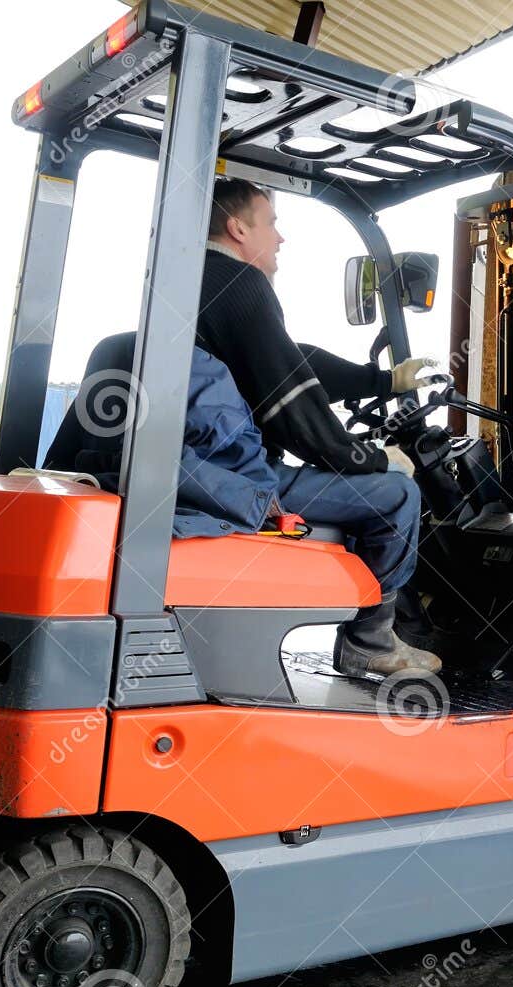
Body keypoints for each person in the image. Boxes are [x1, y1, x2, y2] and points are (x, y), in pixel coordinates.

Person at [197, 177, 440, 678]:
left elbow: (290, 362)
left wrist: (384, 379)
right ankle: (369, 640)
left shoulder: (200, 281)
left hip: (206, 471)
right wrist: (369, 457)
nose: (281, 237)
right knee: (397, 496)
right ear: (238, 227)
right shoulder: (239, 285)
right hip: (238, 483)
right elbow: (290, 404)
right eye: (272, 222)